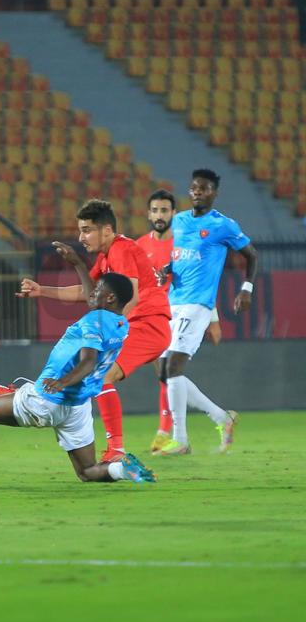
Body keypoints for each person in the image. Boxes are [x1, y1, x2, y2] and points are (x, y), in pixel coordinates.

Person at [0, 274, 156, 485]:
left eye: (98, 289)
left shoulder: (95, 320)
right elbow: (92, 305)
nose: (92, 292)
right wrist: (77, 263)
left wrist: (62, 382)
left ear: (110, 298)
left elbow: (88, 361)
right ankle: (121, 469)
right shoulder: (120, 324)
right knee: (87, 471)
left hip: (48, 400)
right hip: (77, 407)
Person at [6, 200, 171, 463]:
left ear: (107, 230)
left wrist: (110, 331)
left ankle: (116, 450)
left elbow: (132, 296)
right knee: (83, 365)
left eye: (87, 230)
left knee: (100, 374)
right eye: (80, 231)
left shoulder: (121, 249)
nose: (81, 237)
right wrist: (42, 290)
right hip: (137, 323)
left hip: (148, 324)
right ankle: (26, 395)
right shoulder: (106, 257)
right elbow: (88, 292)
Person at [156, 169, 256, 456]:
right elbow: (179, 257)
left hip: (198, 304)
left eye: (204, 188)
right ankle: (222, 418)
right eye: (194, 188)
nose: (198, 192)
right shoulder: (179, 221)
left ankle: (181, 440)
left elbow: (251, 255)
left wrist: (246, 289)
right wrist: (168, 269)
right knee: (164, 372)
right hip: (173, 302)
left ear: (214, 193)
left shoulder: (223, 225)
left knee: (173, 367)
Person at [136, 189, 229, 453]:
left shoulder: (183, 242)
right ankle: (219, 417)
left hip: (181, 312)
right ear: (148, 214)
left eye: (164, 210)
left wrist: (213, 319)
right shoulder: (140, 246)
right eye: (155, 210)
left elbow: (201, 281)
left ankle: (167, 432)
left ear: (174, 213)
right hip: (153, 316)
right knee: (166, 375)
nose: (159, 215)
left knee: (169, 373)